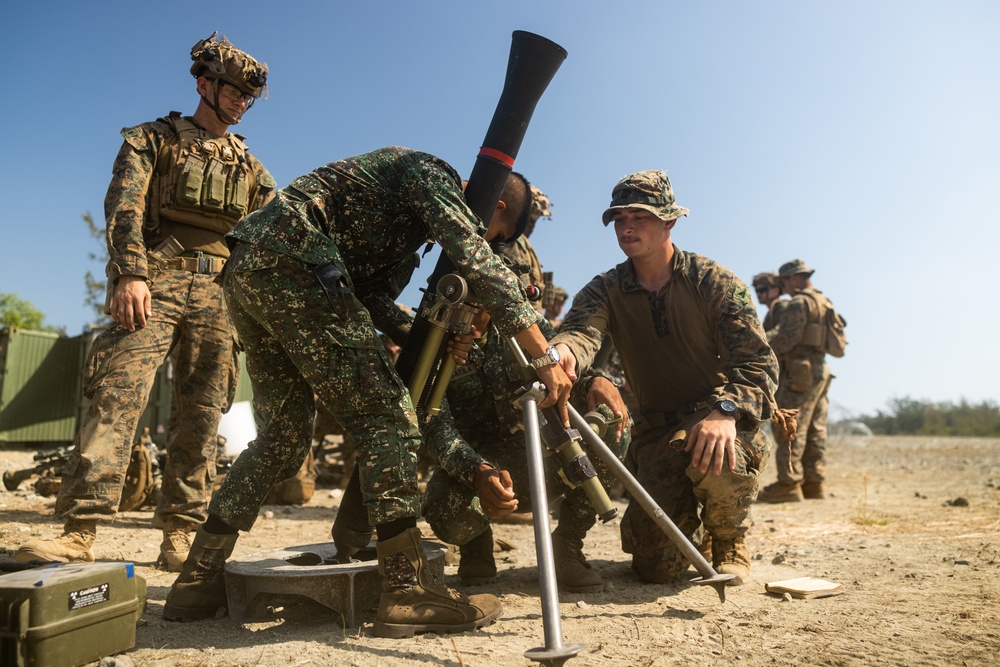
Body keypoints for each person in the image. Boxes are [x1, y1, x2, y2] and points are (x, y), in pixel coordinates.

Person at [162, 147, 573, 639]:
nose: (490, 237)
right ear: (496, 209)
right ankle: (405, 591)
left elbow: (373, 298)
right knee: (390, 417)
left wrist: (441, 331)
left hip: (256, 270)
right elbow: (474, 256)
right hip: (300, 264)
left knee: (284, 437)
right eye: (497, 233)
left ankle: (197, 579)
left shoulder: (402, 231)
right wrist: (544, 353)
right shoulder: (430, 173)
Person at [17, 34, 274, 571]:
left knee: (202, 417)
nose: (241, 102)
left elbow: (269, 235)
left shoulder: (252, 168)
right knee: (116, 398)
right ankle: (79, 530)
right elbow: (124, 207)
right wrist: (130, 273)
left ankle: (181, 535)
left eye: (249, 97)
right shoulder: (152, 140)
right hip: (156, 283)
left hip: (219, 297)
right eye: (233, 90)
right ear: (205, 83)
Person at [550, 170, 778, 586]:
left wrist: (725, 410)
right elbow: (582, 333)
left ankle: (728, 540)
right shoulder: (605, 289)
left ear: (670, 222)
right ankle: (690, 527)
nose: (627, 227)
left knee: (716, 455)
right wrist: (564, 352)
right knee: (656, 570)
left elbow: (759, 364)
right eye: (619, 218)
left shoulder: (714, 282)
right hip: (655, 429)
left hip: (715, 416)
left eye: (640, 216)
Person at [421, 310, 630, 594]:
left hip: (545, 457)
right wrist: (476, 472)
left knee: (609, 419)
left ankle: (567, 545)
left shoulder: (523, 326)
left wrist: (595, 381)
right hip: (482, 473)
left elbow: (562, 374)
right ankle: (475, 544)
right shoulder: (434, 343)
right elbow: (434, 427)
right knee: (443, 507)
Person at [757, 259, 835, 503]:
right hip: (820, 369)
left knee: (790, 426)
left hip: (801, 371)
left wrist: (756, 343)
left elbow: (786, 340)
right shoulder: (822, 300)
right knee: (815, 429)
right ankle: (814, 483)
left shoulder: (798, 303)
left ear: (790, 279)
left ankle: (789, 484)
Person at [502, 184, 553, 313]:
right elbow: (521, 295)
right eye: (530, 220)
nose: (532, 226)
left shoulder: (524, 246)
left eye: (534, 221)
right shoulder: (513, 241)